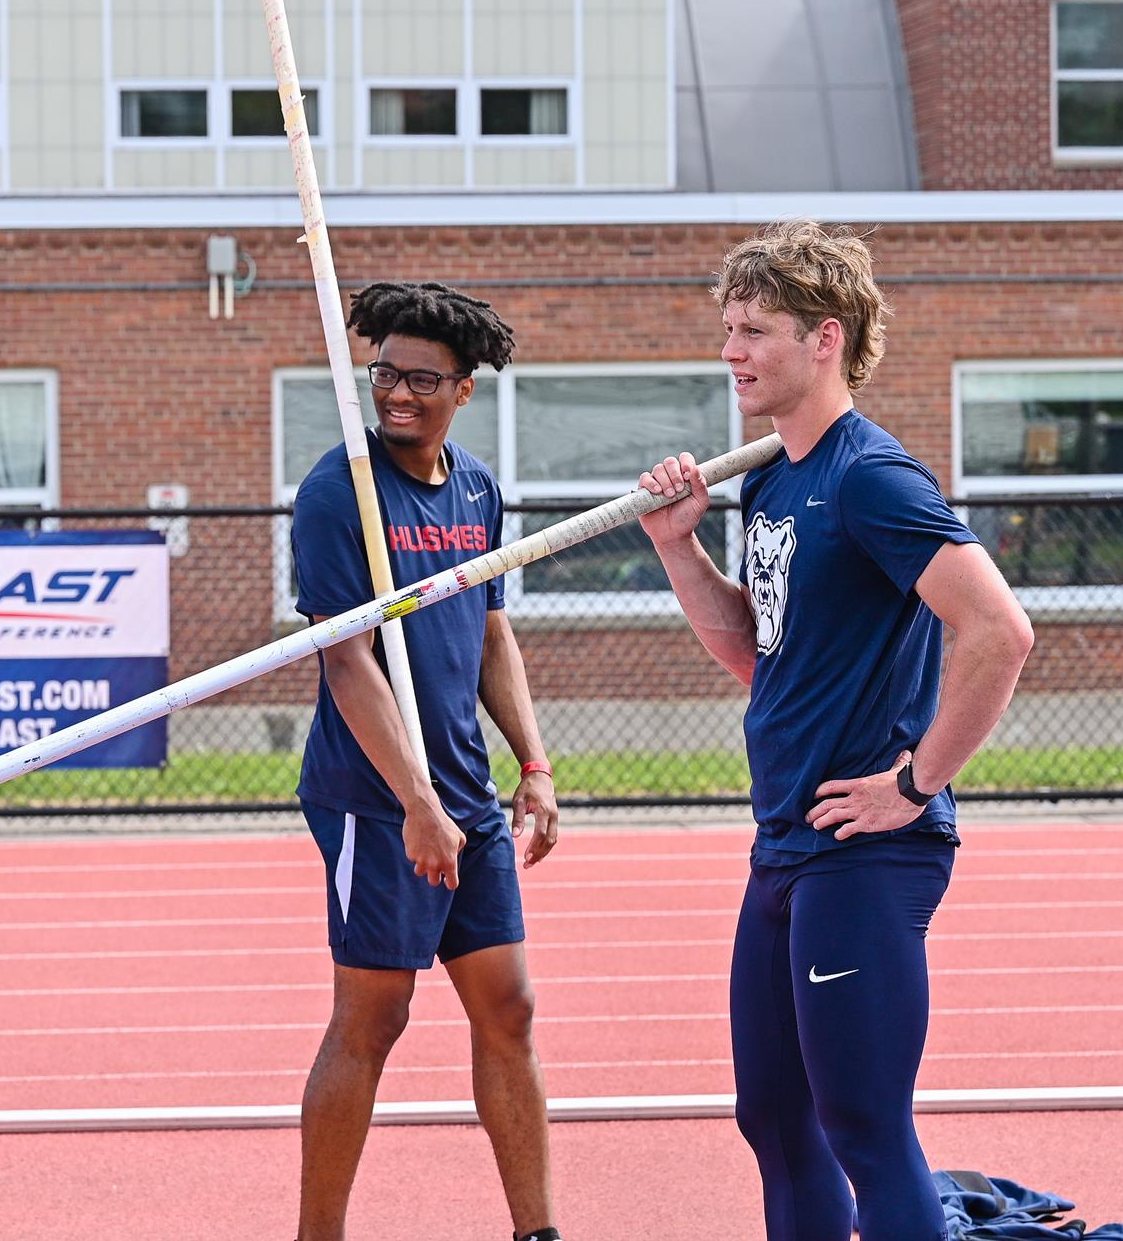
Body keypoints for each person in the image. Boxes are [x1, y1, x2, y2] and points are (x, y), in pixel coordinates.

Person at [636, 221, 1033, 1241]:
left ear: (825, 338)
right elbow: (757, 652)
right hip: (783, 841)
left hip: (865, 850)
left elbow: (999, 629)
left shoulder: (870, 477)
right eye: (727, 327)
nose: (730, 350)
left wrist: (913, 782)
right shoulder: (773, 476)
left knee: (863, 1125)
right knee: (774, 1120)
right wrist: (678, 549)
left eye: (753, 330)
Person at [291, 281, 562, 1241]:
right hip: (375, 798)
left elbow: (491, 633)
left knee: (509, 1008)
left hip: (466, 792)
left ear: (464, 389)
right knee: (375, 1016)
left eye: (421, 379)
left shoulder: (477, 488)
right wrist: (414, 801)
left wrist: (533, 763)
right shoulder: (341, 493)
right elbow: (348, 660)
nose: (398, 394)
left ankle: (538, 1231)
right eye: (385, 374)